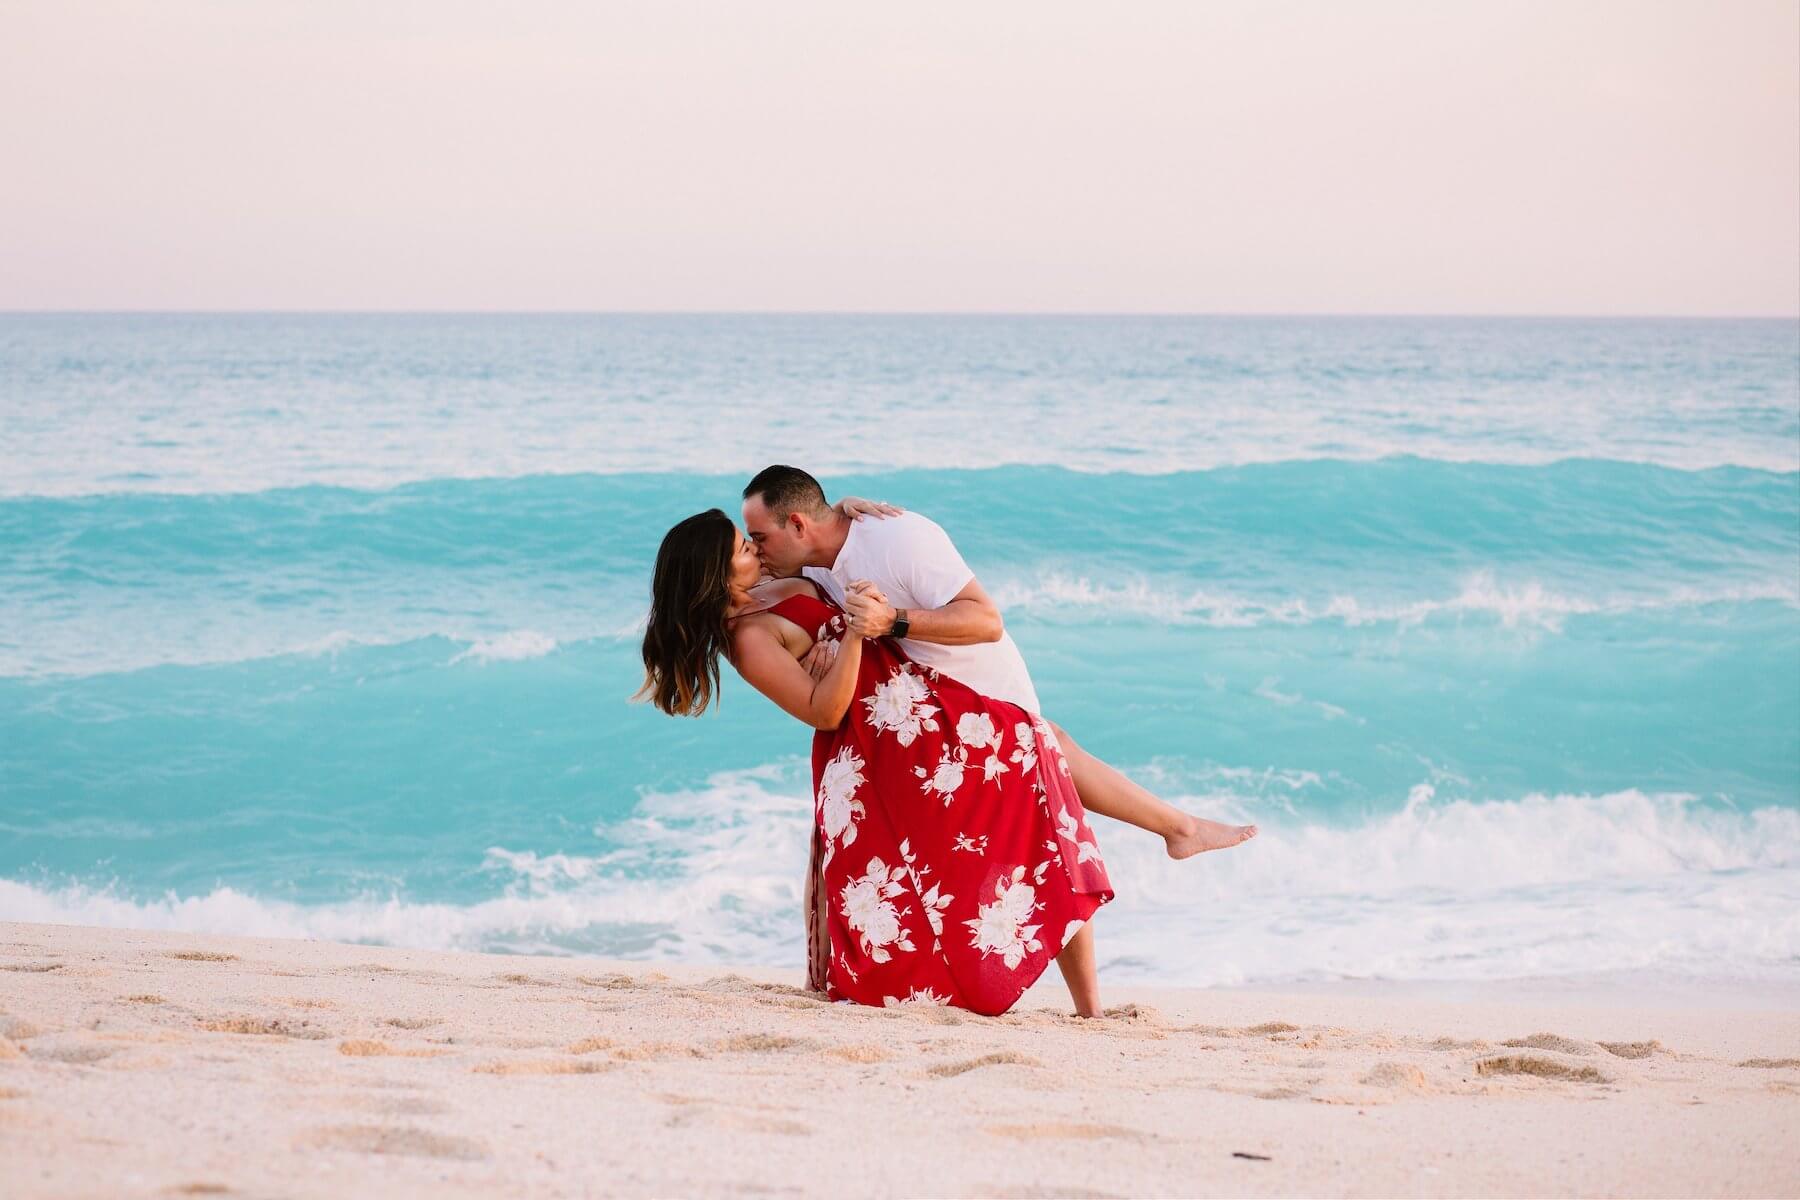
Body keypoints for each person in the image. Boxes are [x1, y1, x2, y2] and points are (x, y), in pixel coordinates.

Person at [640, 509, 1113, 1017]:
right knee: (907, 882)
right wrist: (853, 637)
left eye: (749, 540)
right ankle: (1062, 1000)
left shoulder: (772, 582)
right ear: (716, 573)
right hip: (873, 750)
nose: (754, 549)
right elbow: (824, 710)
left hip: (917, 715)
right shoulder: (748, 640)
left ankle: (1090, 1006)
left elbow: (814, 541)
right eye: (741, 549)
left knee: (1036, 796)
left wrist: (842, 509)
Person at [739, 465, 1257, 861]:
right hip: (921, 701)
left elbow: (986, 620)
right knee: (1047, 780)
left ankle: (1177, 832)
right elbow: (730, 583)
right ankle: (1176, 832)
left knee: (1048, 781)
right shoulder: (813, 561)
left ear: (800, 524)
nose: (757, 551)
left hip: (972, 676)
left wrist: (891, 621)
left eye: (760, 538)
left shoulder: (898, 536)